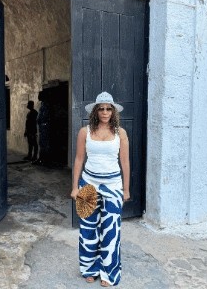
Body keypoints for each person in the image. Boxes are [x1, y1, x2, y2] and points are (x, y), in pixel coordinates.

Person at [71, 92, 131, 287]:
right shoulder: (85, 132)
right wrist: (74, 187)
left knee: (111, 231)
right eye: (101, 108)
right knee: (88, 229)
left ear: (113, 111)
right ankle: (89, 268)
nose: (105, 112)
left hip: (113, 187)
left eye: (108, 108)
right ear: (95, 111)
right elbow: (79, 159)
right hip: (88, 186)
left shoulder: (120, 133)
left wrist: (126, 190)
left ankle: (109, 272)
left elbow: (125, 162)